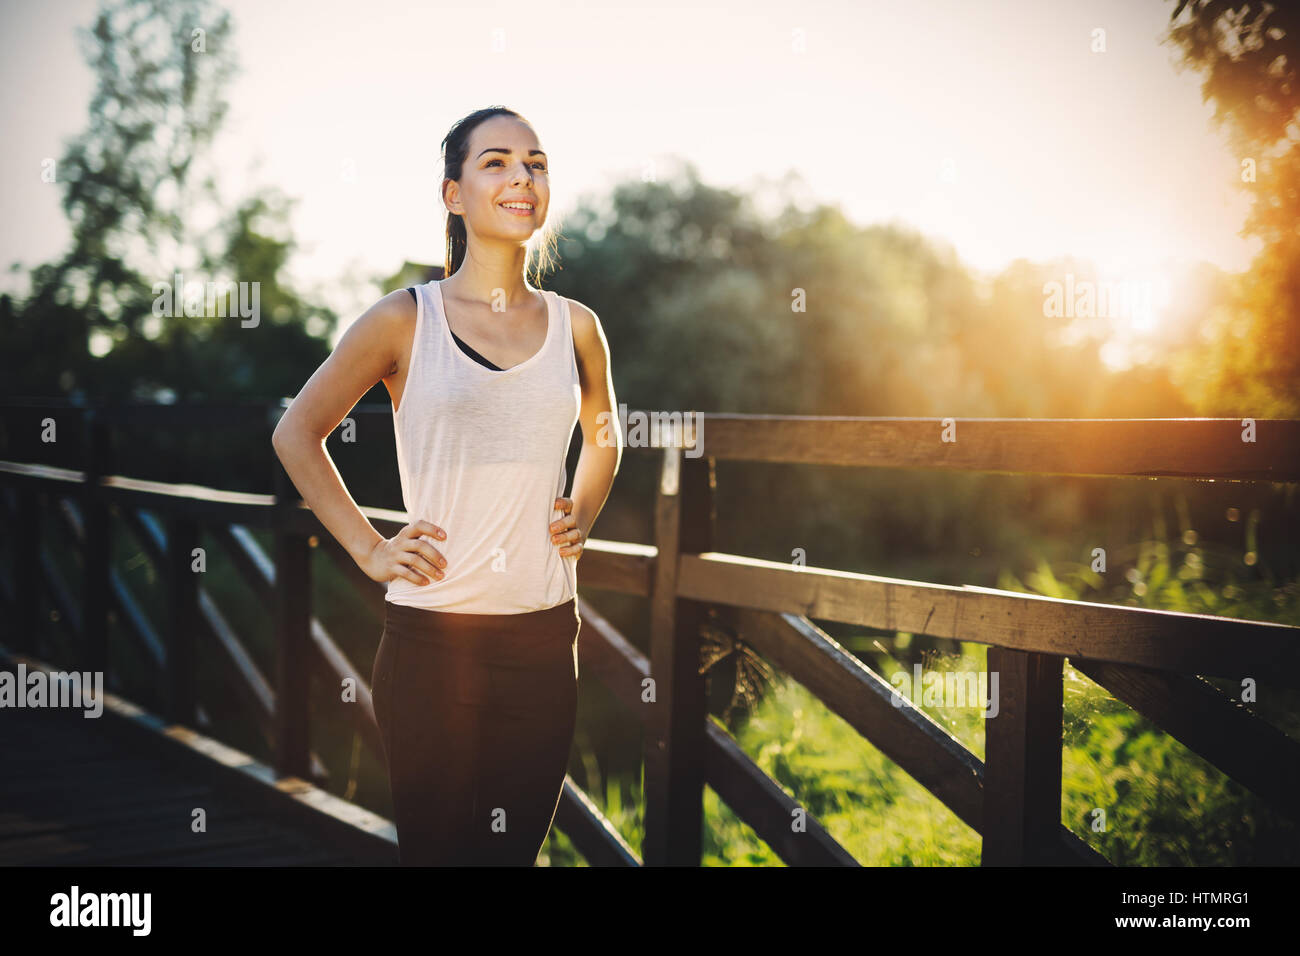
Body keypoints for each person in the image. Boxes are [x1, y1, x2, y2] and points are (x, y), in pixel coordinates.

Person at [271, 106, 622, 865]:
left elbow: (605, 435)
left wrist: (581, 511)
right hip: (433, 646)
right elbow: (296, 433)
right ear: (452, 194)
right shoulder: (406, 319)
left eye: (536, 162)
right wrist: (369, 549)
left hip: (542, 639)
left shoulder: (578, 326)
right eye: (495, 162)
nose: (521, 176)